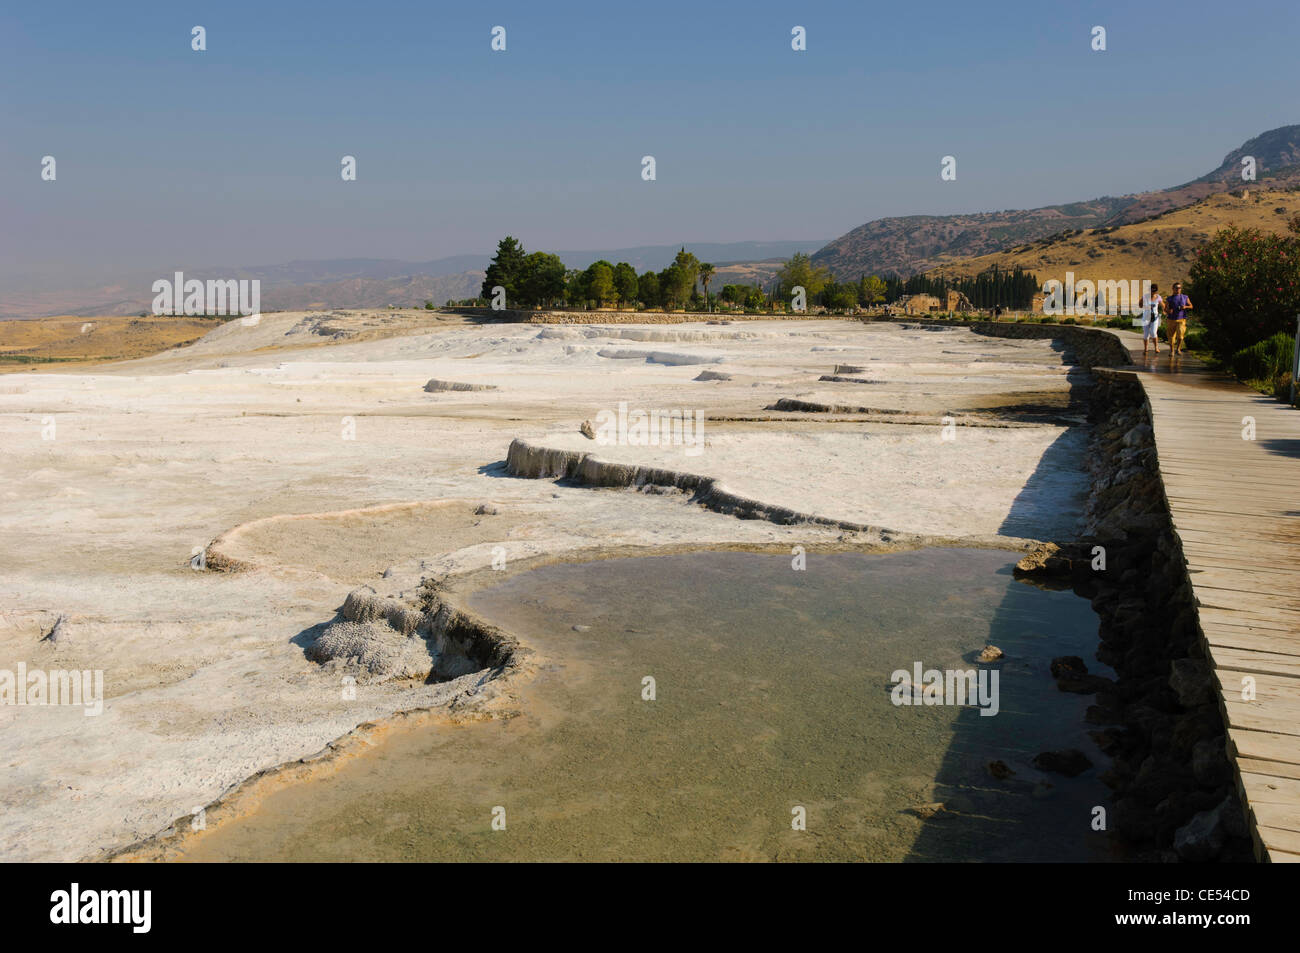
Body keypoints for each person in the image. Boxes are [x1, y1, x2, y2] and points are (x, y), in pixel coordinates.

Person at [1166, 282, 1193, 355]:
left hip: (1181, 319)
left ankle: (1178, 349)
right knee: (1171, 337)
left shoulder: (1185, 297)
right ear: (1173, 289)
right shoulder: (1169, 298)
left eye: (1179, 288)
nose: (1178, 289)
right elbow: (1166, 309)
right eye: (1176, 288)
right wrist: (1169, 311)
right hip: (1171, 319)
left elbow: (1191, 306)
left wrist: (1185, 307)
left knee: (1180, 336)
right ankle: (1172, 351)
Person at [1140, 283, 1164, 359]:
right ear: (1150, 290)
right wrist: (1142, 302)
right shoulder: (1145, 296)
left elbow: (1163, 305)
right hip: (1146, 317)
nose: (1153, 292)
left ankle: (1156, 347)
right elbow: (1140, 305)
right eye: (1152, 290)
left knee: (1153, 333)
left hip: (1155, 317)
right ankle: (1146, 348)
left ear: (1156, 291)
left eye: (1155, 290)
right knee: (1146, 334)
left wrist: (1164, 310)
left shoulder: (1158, 297)